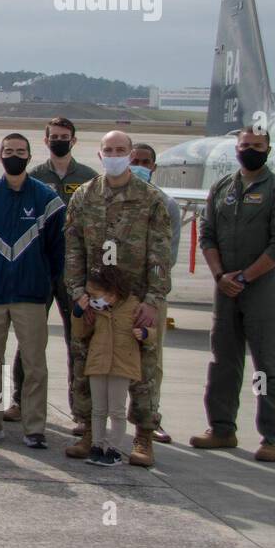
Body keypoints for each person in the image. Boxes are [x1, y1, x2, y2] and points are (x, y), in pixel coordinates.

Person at [63, 130, 173, 466]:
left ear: (130, 153)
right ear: (99, 155)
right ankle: (88, 431)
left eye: (121, 149)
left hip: (136, 300)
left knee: (142, 368)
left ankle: (143, 435)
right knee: (85, 363)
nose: (114, 154)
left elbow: (159, 253)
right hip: (92, 298)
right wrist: (78, 294)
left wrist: (153, 301)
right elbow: (74, 248)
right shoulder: (84, 196)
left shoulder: (150, 198)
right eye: (108, 150)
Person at [190, 126, 275, 463]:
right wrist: (221, 276)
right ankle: (221, 428)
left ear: (268, 149)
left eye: (256, 145)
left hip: (261, 291)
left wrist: (245, 277)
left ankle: (273, 436)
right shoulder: (222, 188)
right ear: (235, 148)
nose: (250, 149)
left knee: (266, 367)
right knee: (223, 362)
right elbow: (207, 235)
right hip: (226, 290)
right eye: (244, 145)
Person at [0, 133, 65, 447]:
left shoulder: (47, 199)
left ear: (29, 155)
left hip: (31, 294)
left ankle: (34, 428)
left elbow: (56, 250)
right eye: (9, 151)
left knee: (35, 363)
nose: (14, 155)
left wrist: (39, 278)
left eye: (20, 151)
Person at [10, 117, 98, 425]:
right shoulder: (33, 176)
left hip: (74, 269)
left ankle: (82, 410)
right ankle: (20, 400)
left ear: (74, 141)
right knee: (30, 336)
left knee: (79, 339)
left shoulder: (89, 178)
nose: (59, 141)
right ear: (45, 141)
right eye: (54, 136)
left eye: (65, 136)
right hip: (38, 267)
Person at [129, 142, 181, 444]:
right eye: (133, 159)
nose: (138, 165)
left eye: (144, 161)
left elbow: (166, 259)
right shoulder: (101, 197)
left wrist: (150, 297)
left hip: (150, 296)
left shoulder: (166, 205)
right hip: (113, 296)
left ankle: (148, 419)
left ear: (153, 167)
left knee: (151, 362)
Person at [75, 265, 150, 467]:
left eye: (95, 294)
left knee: (116, 410)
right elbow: (81, 333)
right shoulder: (95, 311)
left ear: (112, 293)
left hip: (121, 365)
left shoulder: (134, 307)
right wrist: (78, 313)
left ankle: (114, 450)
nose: (92, 299)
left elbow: (152, 332)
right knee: (98, 410)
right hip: (98, 363)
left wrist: (144, 334)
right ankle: (97, 446)